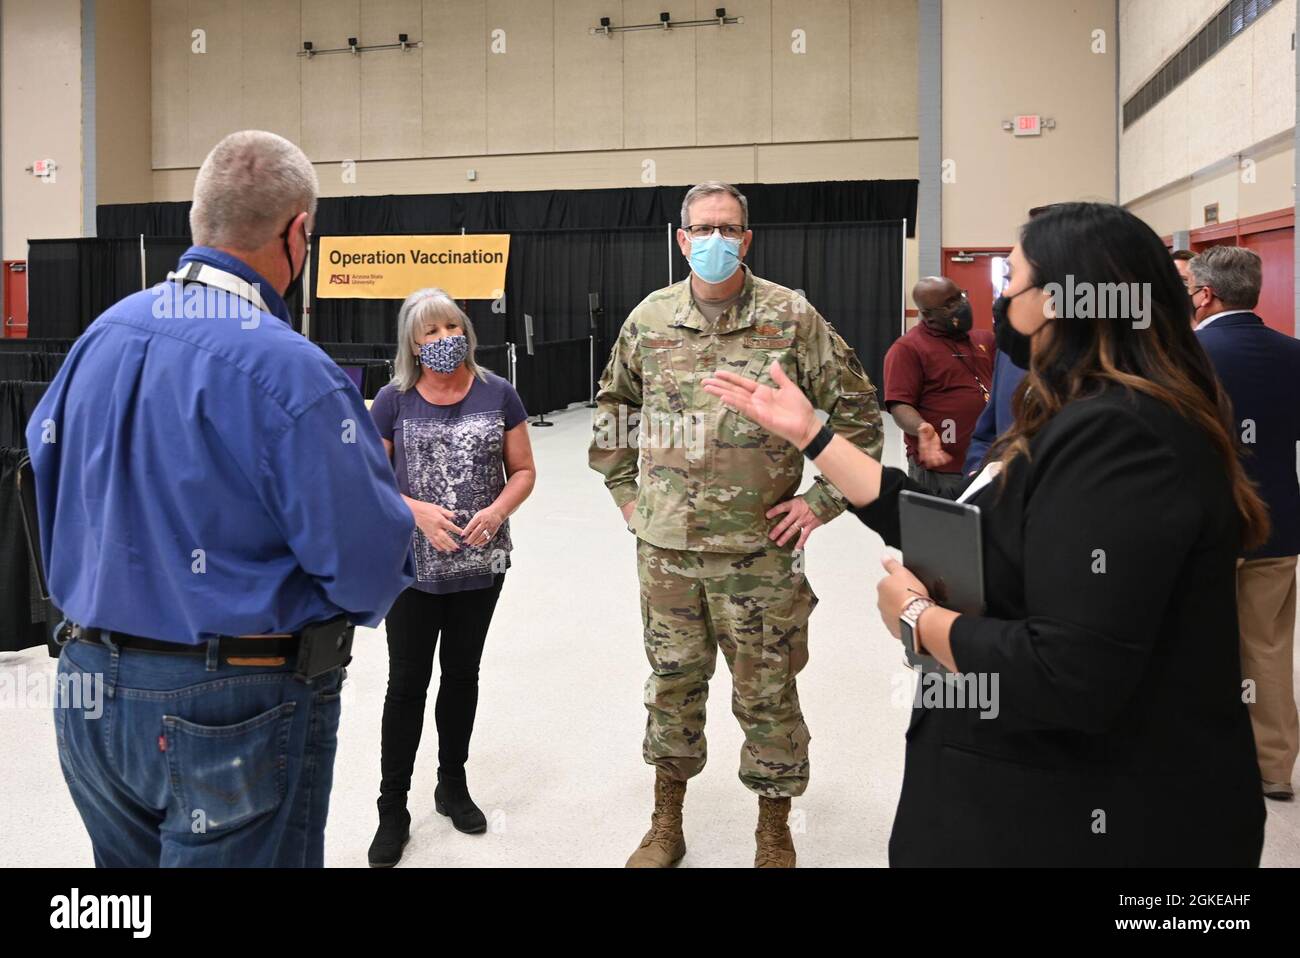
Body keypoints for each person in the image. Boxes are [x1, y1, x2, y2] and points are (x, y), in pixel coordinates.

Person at [703, 202, 1267, 866]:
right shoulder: (1087, 410)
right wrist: (812, 436)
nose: (997, 303)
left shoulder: (1122, 435)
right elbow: (961, 521)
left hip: (1092, 813)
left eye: (1011, 282)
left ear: (1064, 300)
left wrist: (917, 618)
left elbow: (1067, 671)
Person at [27, 130, 415, 867]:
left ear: (197, 220)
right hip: (230, 707)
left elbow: (43, 482)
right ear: (298, 231)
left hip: (87, 690)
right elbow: (364, 565)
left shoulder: (98, 337)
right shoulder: (291, 370)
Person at [589, 180, 883, 868]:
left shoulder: (791, 317)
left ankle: (774, 827)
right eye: (702, 228)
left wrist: (820, 502)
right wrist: (627, 494)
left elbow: (860, 415)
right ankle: (666, 821)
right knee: (671, 682)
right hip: (666, 555)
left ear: (746, 240)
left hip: (760, 553)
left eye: (728, 228)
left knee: (768, 690)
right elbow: (614, 409)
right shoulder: (650, 319)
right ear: (682, 238)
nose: (715, 239)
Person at [367, 288, 535, 867]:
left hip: (480, 563)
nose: (443, 340)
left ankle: (452, 784)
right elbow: (366, 476)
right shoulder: (392, 399)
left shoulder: (498, 392)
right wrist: (414, 509)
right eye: (429, 333)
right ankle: (392, 807)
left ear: (466, 329)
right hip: (411, 567)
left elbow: (523, 470)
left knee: (462, 675)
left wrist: (498, 511)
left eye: (450, 327)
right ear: (413, 344)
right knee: (407, 683)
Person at [1192, 245, 1300, 801]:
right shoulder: (1293, 352)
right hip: (1279, 526)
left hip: (1202, 529)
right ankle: (1274, 768)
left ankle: (1203, 760)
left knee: (1194, 642)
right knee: (1269, 647)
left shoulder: (1183, 355)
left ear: (1205, 294)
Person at [884, 277, 994, 497]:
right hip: (942, 469)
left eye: (959, 296)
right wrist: (922, 428)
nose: (961, 305)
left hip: (986, 464)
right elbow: (899, 405)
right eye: (949, 304)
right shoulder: (907, 349)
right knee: (941, 529)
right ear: (927, 314)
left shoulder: (985, 339)